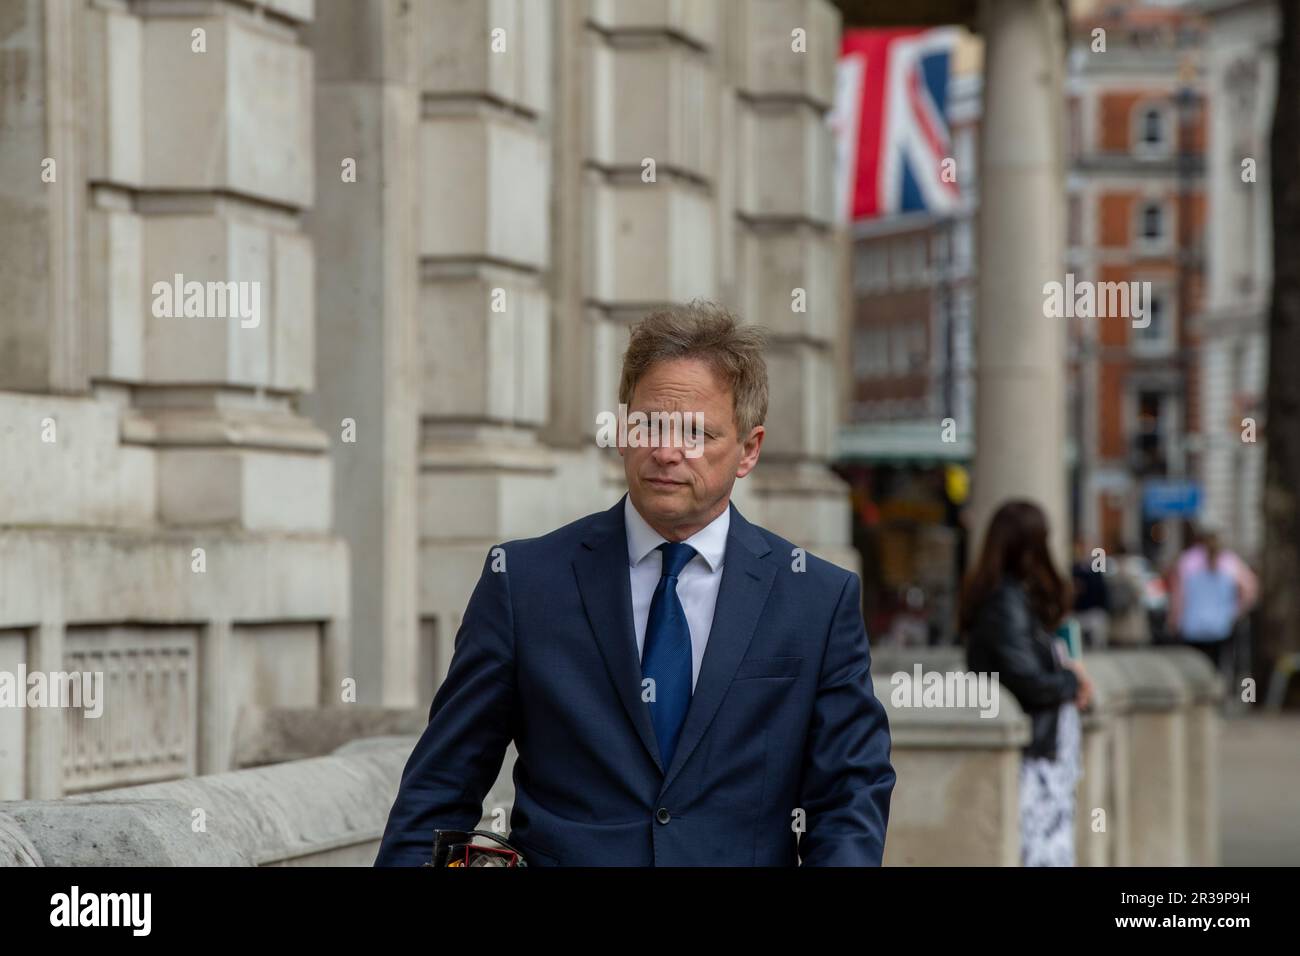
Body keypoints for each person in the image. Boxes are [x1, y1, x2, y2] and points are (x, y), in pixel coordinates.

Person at [375, 301, 896, 866]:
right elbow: (439, 790)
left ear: (749, 450)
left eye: (694, 433)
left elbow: (848, 799)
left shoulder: (815, 601)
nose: (666, 452)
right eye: (648, 424)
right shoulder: (524, 584)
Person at [960, 500, 1093, 867]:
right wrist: (1071, 680)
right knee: (1040, 855)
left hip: (1040, 755)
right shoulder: (1005, 601)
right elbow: (1027, 680)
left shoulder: (1010, 597)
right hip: (1032, 757)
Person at [1167, 525, 1258, 677]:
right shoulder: (1231, 562)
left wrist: (1174, 620)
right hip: (1221, 625)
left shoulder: (1187, 561)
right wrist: (1235, 611)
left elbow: (1178, 597)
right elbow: (1250, 590)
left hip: (1192, 625)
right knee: (1218, 667)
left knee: (1194, 668)